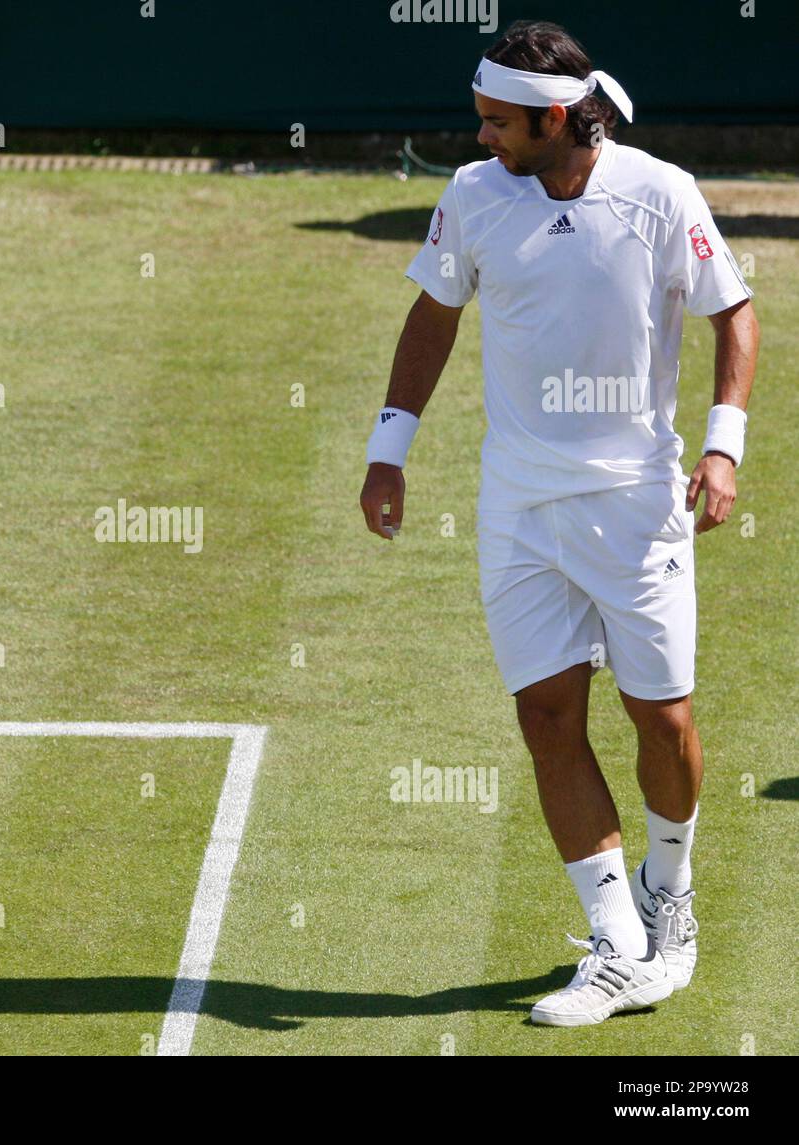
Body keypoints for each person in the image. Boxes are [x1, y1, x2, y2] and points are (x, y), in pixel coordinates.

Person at [358, 20, 759, 1026]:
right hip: (518, 505)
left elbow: (733, 312)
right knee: (546, 719)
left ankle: (671, 894)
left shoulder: (659, 193)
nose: (481, 138)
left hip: (635, 505)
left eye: (497, 123)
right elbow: (433, 314)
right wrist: (387, 447)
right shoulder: (472, 195)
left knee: (660, 719)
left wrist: (722, 446)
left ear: (551, 120)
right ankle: (616, 940)